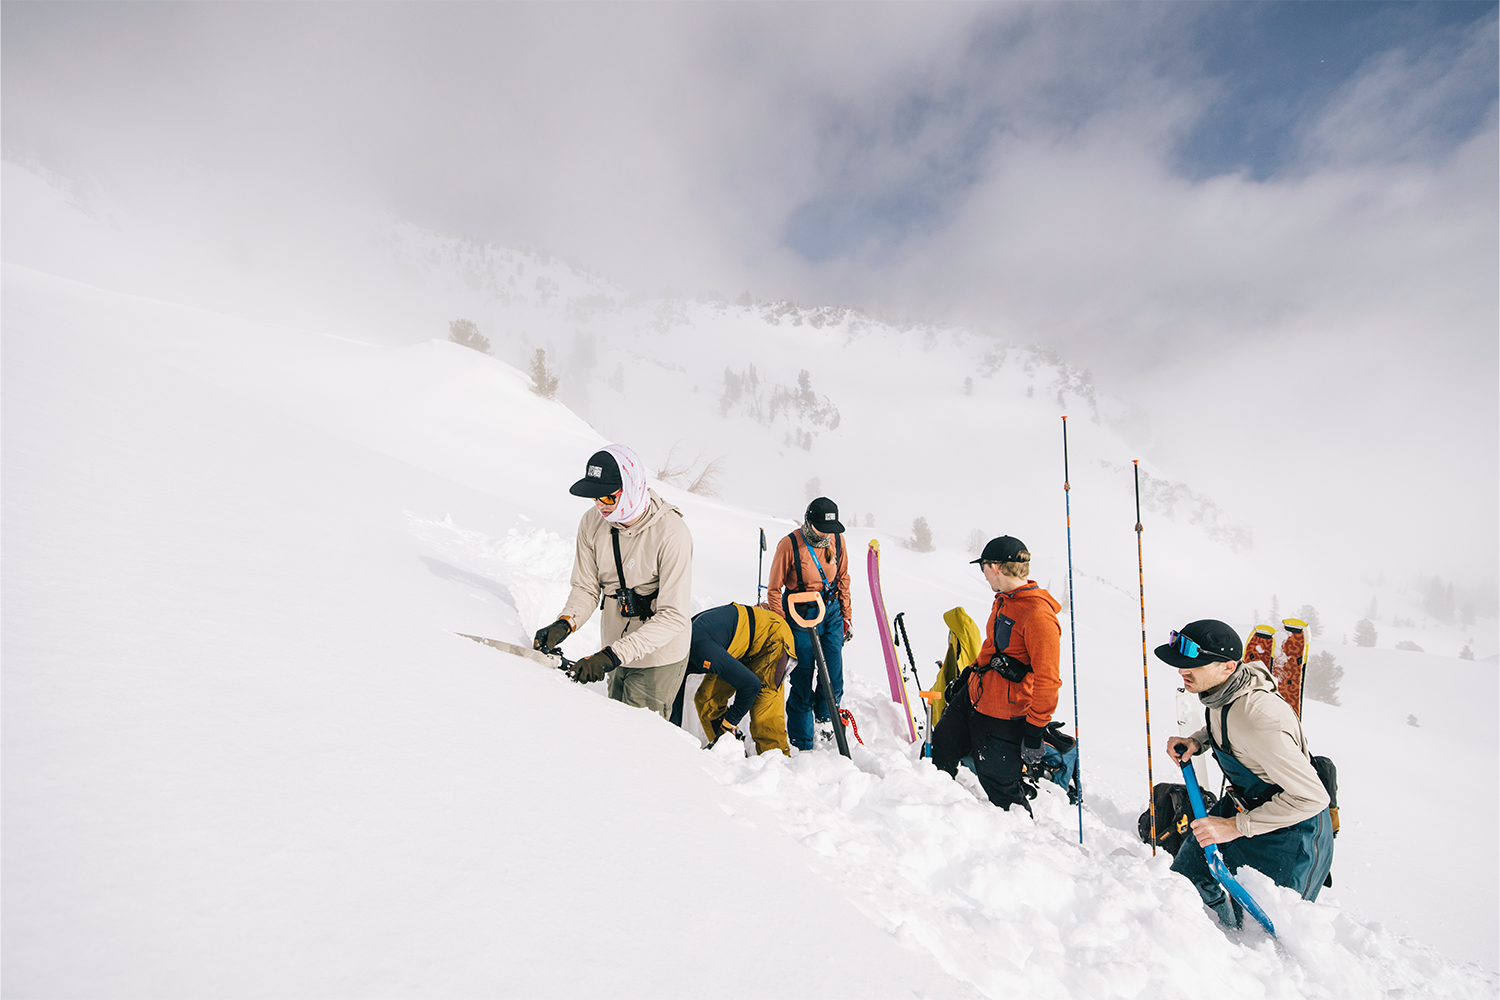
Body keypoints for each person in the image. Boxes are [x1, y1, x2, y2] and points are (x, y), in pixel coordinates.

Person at [1160, 619, 1334, 929]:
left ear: (1228, 667)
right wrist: (1197, 742)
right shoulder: (1221, 690)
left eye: (1194, 665)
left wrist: (1234, 827)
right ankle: (1215, 935)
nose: (1182, 671)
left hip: (1289, 833)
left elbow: (1312, 797)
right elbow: (1229, 727)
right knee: (1185, 883)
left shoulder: (1259, 718)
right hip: (1244, 808)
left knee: (1260, 939)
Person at [533, 444, 692, 719]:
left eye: (607, 497)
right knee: (613, 727)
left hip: (656, 658)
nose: (599, 506)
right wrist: (565, 623)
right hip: (614, 649)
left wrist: (610, 656)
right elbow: (585, 587)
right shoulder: (591, 523)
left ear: (631, 489)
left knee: (636, 741)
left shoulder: (672, 534)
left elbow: (673, 616)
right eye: (594, 497)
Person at [929, 536, 1061, 814]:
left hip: (1003, 715)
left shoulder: (1038, 615)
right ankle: (933, 814)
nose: (984, 573)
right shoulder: (1003, 601)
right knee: (939, 750)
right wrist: (966, 677)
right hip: (974, 698)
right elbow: (991, 648)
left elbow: (1048, 680)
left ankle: (1024, 843)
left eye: (983, 567)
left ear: (996, 567)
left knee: (1002, 791)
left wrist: (1036, 730)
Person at [765, 497, 852, 751]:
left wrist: (847, 615)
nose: (827, 534)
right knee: (803, 675)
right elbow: (774, 589)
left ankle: (825, 720)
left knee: (833, 673)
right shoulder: (789, 545)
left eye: (831, 529)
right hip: (799, 611)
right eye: (821, 529)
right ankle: (801, 740)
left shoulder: (837, 540)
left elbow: (843, 576)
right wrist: (780, 626)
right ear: (809, 522)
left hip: (831, 610)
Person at [671, 602, 797, 755]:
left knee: (764, 715)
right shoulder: (674, 658)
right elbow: (674, 704)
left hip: (772, 639)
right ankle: (729, 752)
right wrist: (670, 736)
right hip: (738, 648)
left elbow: (751, 685)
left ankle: (776, 765)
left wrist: (730, 721)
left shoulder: (699, 648)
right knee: (707, 699)